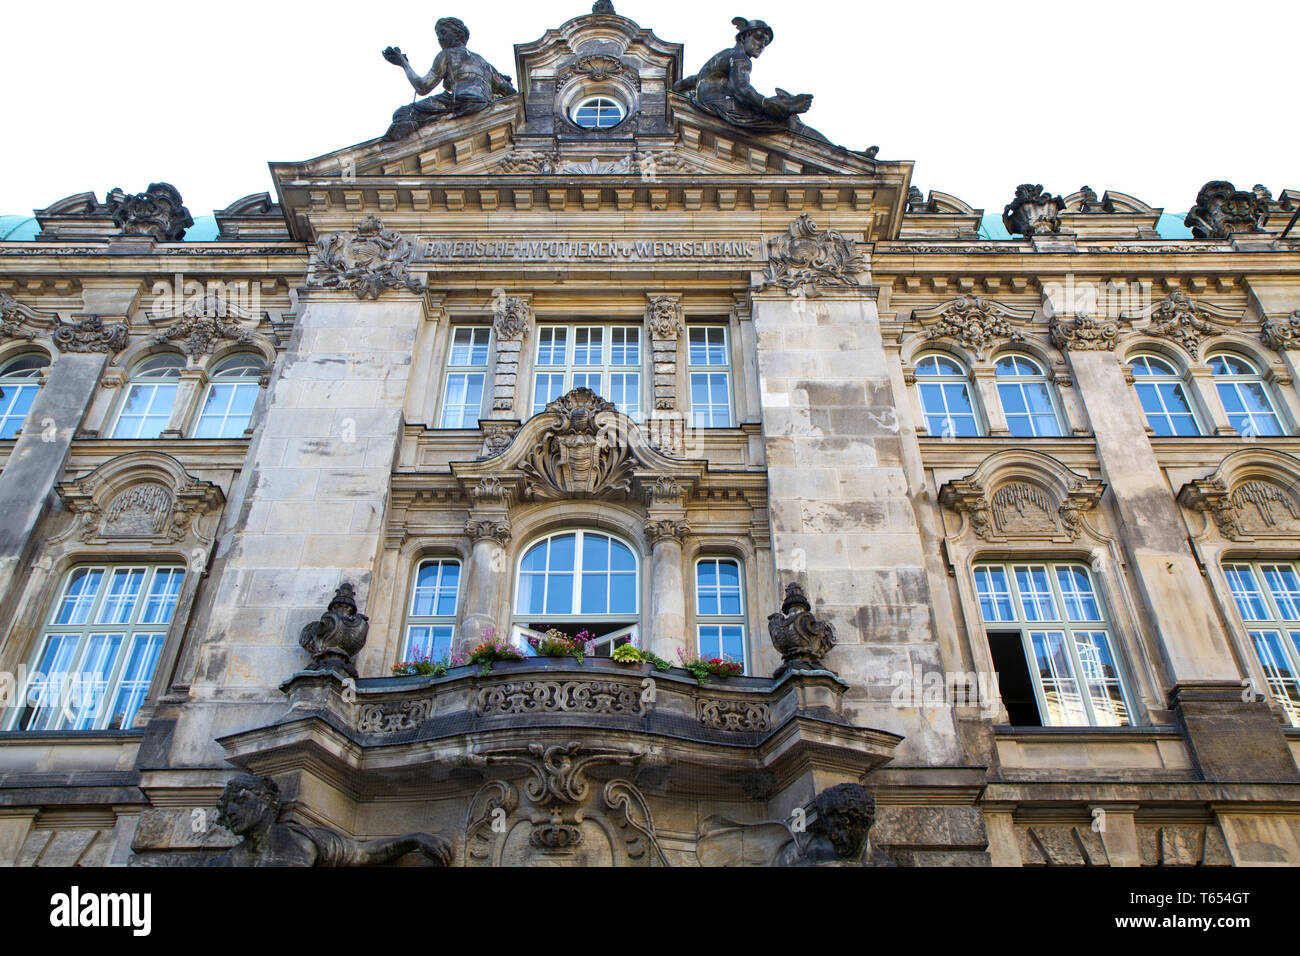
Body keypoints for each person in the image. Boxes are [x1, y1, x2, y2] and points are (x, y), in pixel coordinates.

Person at [209, 774, 451, 866]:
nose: (231, 811)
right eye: (227, 805)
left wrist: (413, 839)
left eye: (240, 801)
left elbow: (363, 853)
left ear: (268, 801)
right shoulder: (222, 863)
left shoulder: (302, 840)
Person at [674, 17, 825, 142]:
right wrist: (768, 105)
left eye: (765, 43)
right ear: (743, 37)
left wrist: (676, 88)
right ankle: (825, 148)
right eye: (758, 38)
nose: (761, 45)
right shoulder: (740, 58)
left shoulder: (724, 55)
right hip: (722, 106)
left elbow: (695, 79)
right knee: (788, 121)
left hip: (707, 102)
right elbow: (740, 89)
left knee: (778, 108)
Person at [381, 17, 516, 141]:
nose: (440, 38)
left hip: (460, 101)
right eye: (438, 35)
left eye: (443, 32)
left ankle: (402, 144)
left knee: (403, 113)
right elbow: (510, 91)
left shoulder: (447, 54)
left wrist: (403, 63)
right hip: (482, 102)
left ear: (458, 34)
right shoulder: (485, 64)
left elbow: (422, 87)